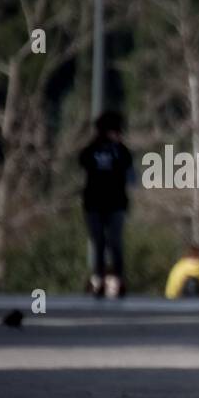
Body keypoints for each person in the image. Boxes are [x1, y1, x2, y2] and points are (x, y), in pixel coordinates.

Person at [79, 110, 134, 298]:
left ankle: (118, 279)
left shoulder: (120, 150)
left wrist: (117, 146)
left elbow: (128, 164)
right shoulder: (93, 149)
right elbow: (83, 160)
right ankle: (98, 279)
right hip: (94, 203)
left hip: (115, 204)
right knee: (98, 243)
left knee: (115, 242)